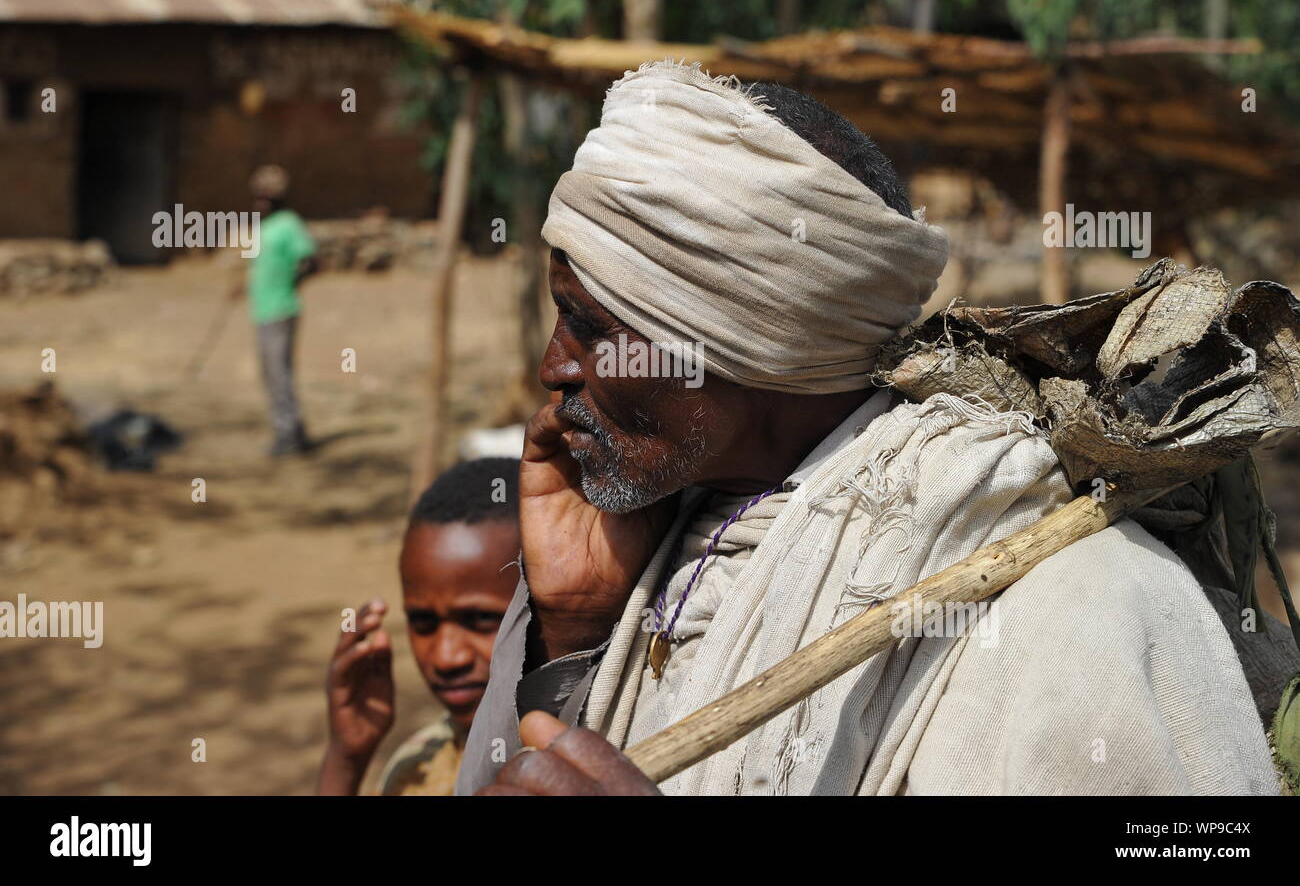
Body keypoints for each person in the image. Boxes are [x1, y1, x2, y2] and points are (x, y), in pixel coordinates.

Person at [458, 62, 1276, 796]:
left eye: (588, 327)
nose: (551, 368)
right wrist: (574, 634)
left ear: (746, 342)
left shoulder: (1079, 612)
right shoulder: (656, 549)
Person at [317, 457, 521, 796]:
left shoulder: (604, 753)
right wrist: (346, 757)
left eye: (481, 620)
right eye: (423, 623)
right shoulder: (417, 771)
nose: (446, 658)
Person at [241, 164, 316, 456]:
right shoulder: (265, 226)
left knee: (278, 374)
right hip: (262, 309)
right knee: (272, 374)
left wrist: (290, 283)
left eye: (266, 198)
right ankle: (295, 429)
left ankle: (287, 435)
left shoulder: (288, 224)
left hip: (281, 310)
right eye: (257, 197)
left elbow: (310, 260)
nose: (260, 203)